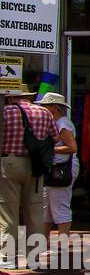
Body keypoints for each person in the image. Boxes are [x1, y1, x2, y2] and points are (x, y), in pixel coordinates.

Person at [0, 84, 57, 251]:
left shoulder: (5, 112)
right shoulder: (44, 112)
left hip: (9, 163)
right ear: (30, 97)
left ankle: (7, 255)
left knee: (8, 211)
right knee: (35, 212)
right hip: (36, 165)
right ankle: (35, 256)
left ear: (10, 97)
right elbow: (55, 137)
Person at [35, 92, 78, 244]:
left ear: (54, 107)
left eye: (45, 105)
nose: (43, 108)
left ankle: (63, 243)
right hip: (54, 168)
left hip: (61, 169)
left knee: (60, 205)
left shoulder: (62, 124)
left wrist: (49, 149)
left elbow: (72, 147)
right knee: (46, 207)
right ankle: (43, 240)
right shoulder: (56, 123)